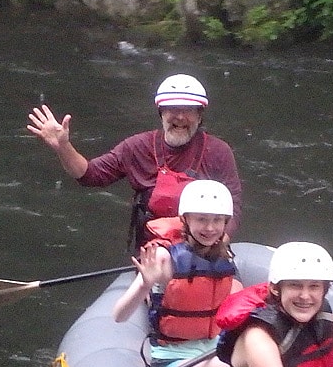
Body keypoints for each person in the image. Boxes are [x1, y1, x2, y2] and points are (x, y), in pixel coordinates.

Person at [27, 73, 243, 249]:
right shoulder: (137, 147)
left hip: (208, 249)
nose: (180, 117)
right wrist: (63, 147)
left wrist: (217, 246)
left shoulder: (218, 152)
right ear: (161, 113)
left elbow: (234, 204)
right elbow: (90, 175)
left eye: (188, 111)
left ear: (199, 116)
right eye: (172, 110)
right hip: (152, 253)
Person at [111, 180, 241, 367]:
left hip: (212, 348)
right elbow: (119, 315)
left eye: (217, 220)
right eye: (201, 219)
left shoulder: (223, 256)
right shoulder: (165, 258)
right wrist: (146, 284)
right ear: (185, 220)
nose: (210, 228)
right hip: (175, 360)